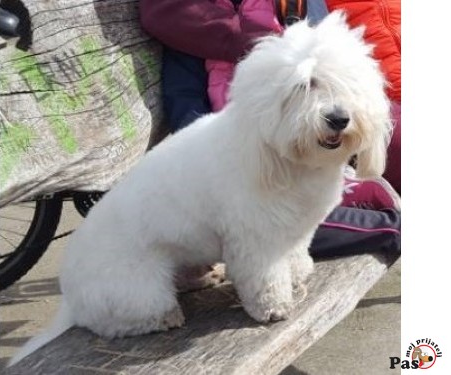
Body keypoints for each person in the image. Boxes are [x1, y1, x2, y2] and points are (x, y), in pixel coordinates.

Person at [139, 0, 401, 258]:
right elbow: (192, 124)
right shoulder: (185, 24)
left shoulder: (296, 6)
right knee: (283, 217)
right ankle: (389, 224)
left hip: (322, 137)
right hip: (252, 171)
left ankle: (363, 196)